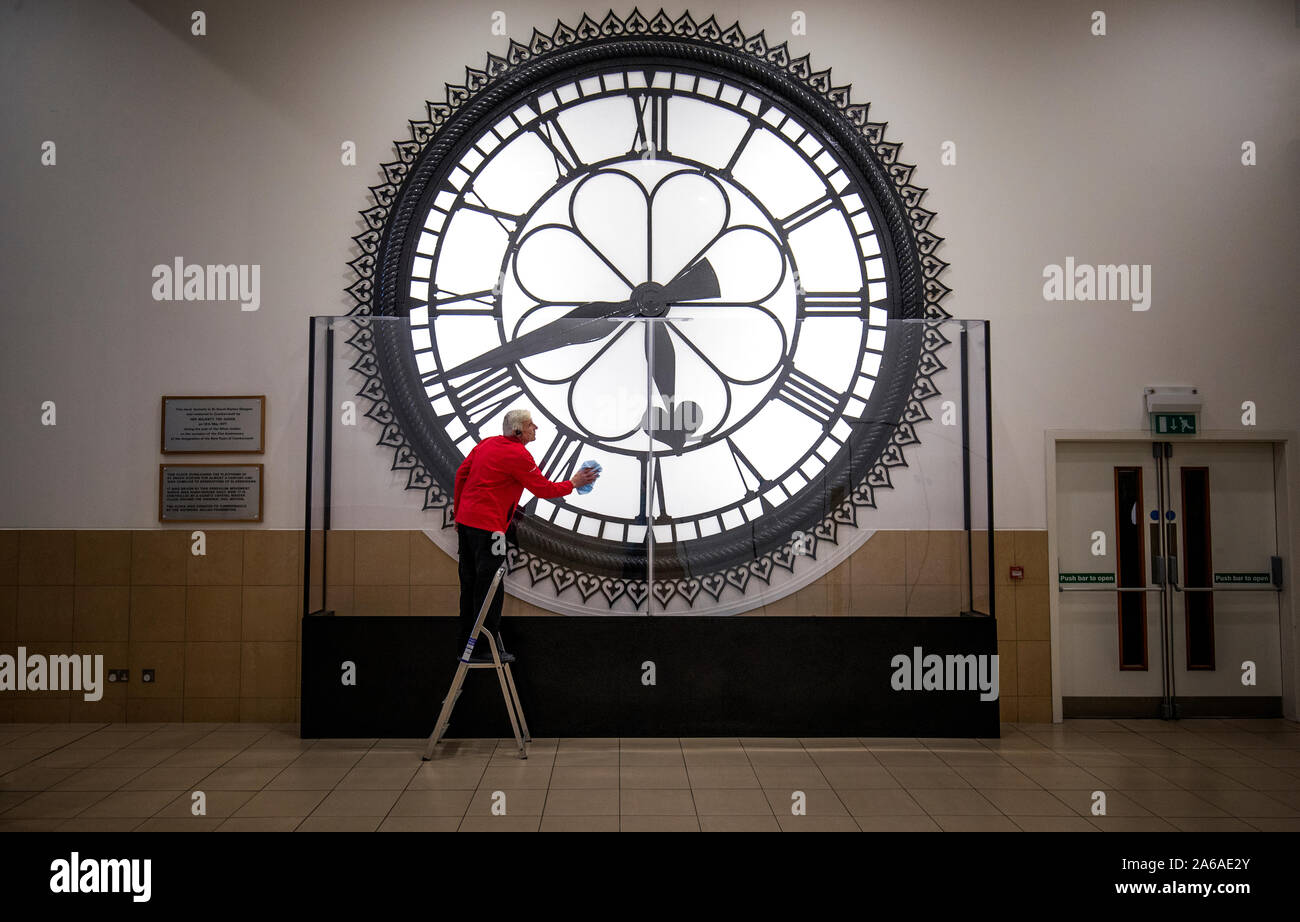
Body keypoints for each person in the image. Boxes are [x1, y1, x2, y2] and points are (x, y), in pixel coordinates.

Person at [452, 408, 599, 663]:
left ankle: (467, 645)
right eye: (531, 425)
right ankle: (484, 648)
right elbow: (543, 489)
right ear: (519, 431)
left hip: (466, 523)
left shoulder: (486, 445)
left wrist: (458, 512)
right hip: (490, 529)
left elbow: (461, 474)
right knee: (490, 588)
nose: (536, 428)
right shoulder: (519, 455)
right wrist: (573, 483)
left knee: (470, 584)